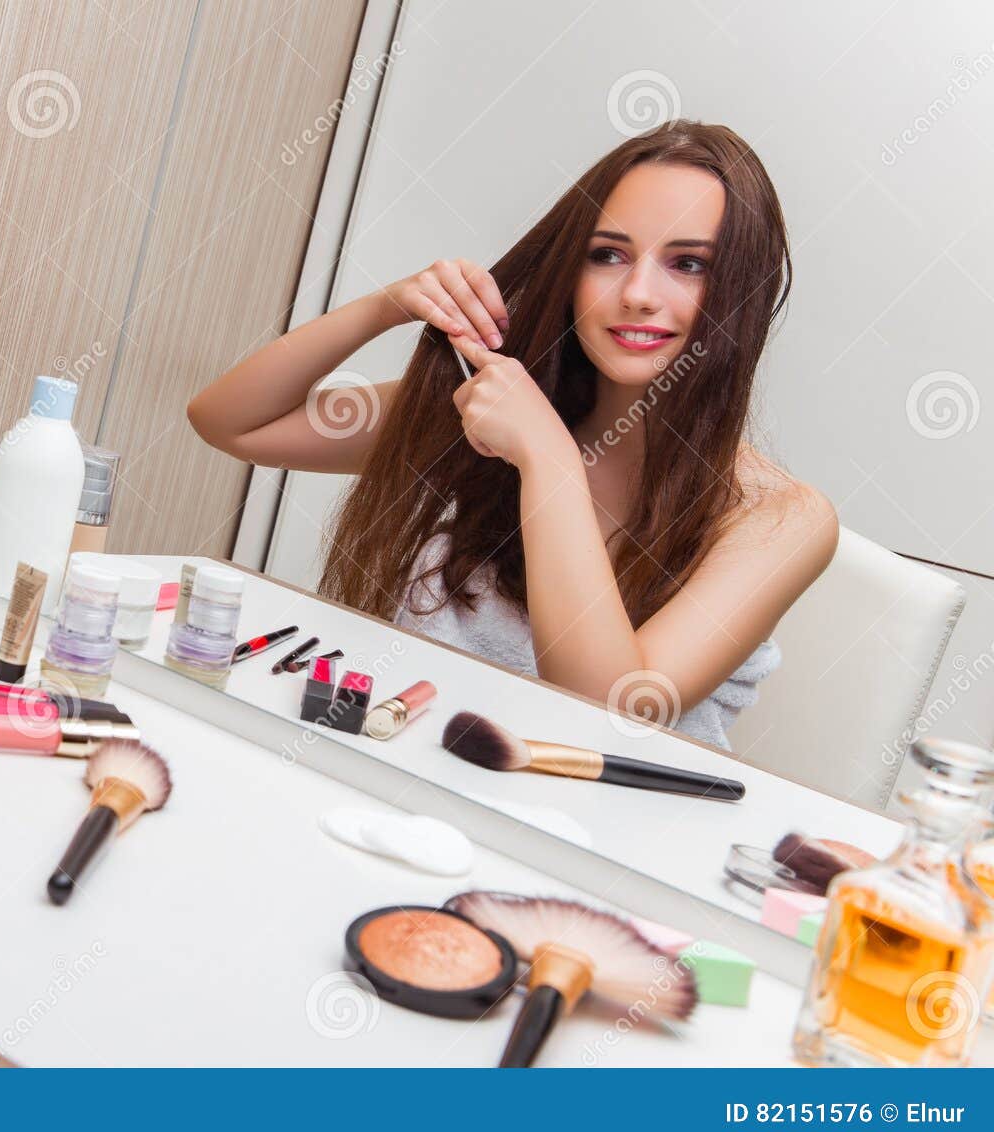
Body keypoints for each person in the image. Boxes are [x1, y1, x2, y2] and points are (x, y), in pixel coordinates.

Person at [187, 121, 837, 749]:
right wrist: (388, 305)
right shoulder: (489, 413)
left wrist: (547, 458)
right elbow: (234, 423)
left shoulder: (780, 519)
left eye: (688, 263)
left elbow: (614, 709)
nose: (638, 292)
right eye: (608, 255)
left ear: (742, 292)